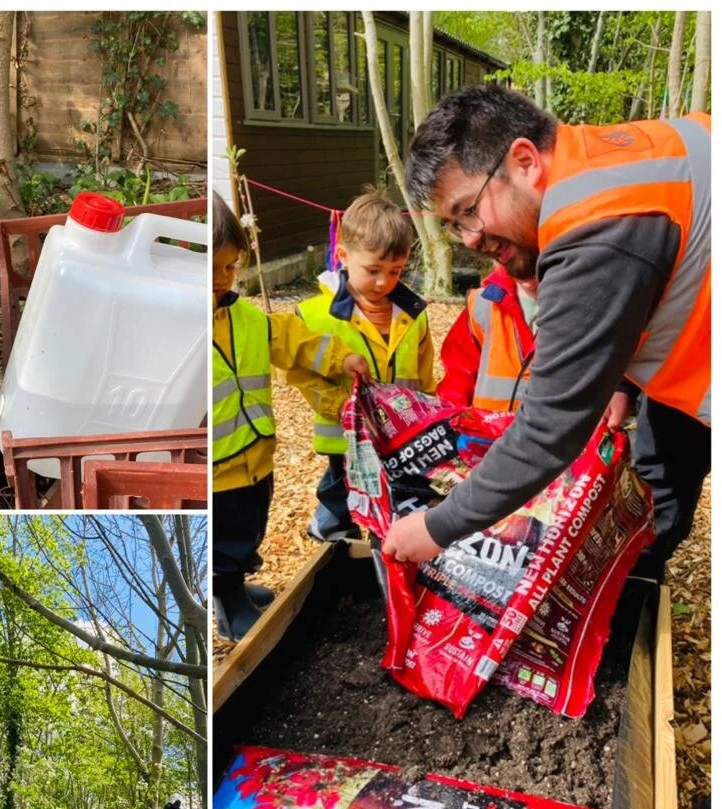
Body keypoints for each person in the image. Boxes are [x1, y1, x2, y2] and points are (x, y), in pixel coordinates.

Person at [385, 84, 709, 584]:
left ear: (524, 160)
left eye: (468, 210)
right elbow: (656, 273)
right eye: (454, 226)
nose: (470, 239)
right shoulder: (601, 160)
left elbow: (548, 428)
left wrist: (436, 526)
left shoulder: (593, 226)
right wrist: (622, 380)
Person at [212, 192, 371, 639]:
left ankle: (237, 585)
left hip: (255, 457)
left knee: (250, 526)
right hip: (218, 468)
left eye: (231, 267)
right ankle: (227, 601)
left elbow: (296, 340)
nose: (225, 278)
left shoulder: (246, 318)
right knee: (225, 538)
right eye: (214, 269)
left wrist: (341, 358)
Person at [289, 187, 436, 541]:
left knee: (402, 498)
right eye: (373, 270)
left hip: (402, 437)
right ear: (343, 256)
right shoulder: (316, 316)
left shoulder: (414, 317)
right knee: (342, 493)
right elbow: (295, 371)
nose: (384, 282)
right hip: (346, 440)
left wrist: (426, 418)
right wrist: (339, 407)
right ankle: (329, 527)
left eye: (396, 271)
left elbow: (425, 376)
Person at [437, 264, 538, 411]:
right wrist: (453, 425)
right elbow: (456, 380)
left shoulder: (578, 308)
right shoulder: (483, 303)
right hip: (482, 431)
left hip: (549, 432)